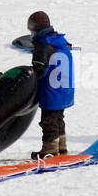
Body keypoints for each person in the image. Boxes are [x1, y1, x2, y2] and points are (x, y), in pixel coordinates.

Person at [27, 11, 74, 159]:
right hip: (64, 89)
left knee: (48, 121)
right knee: (58, 119)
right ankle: (62, 146)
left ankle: (50, 150)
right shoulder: (61, 43)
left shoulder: (43, 45)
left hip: (51, 91)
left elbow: (38, 68)